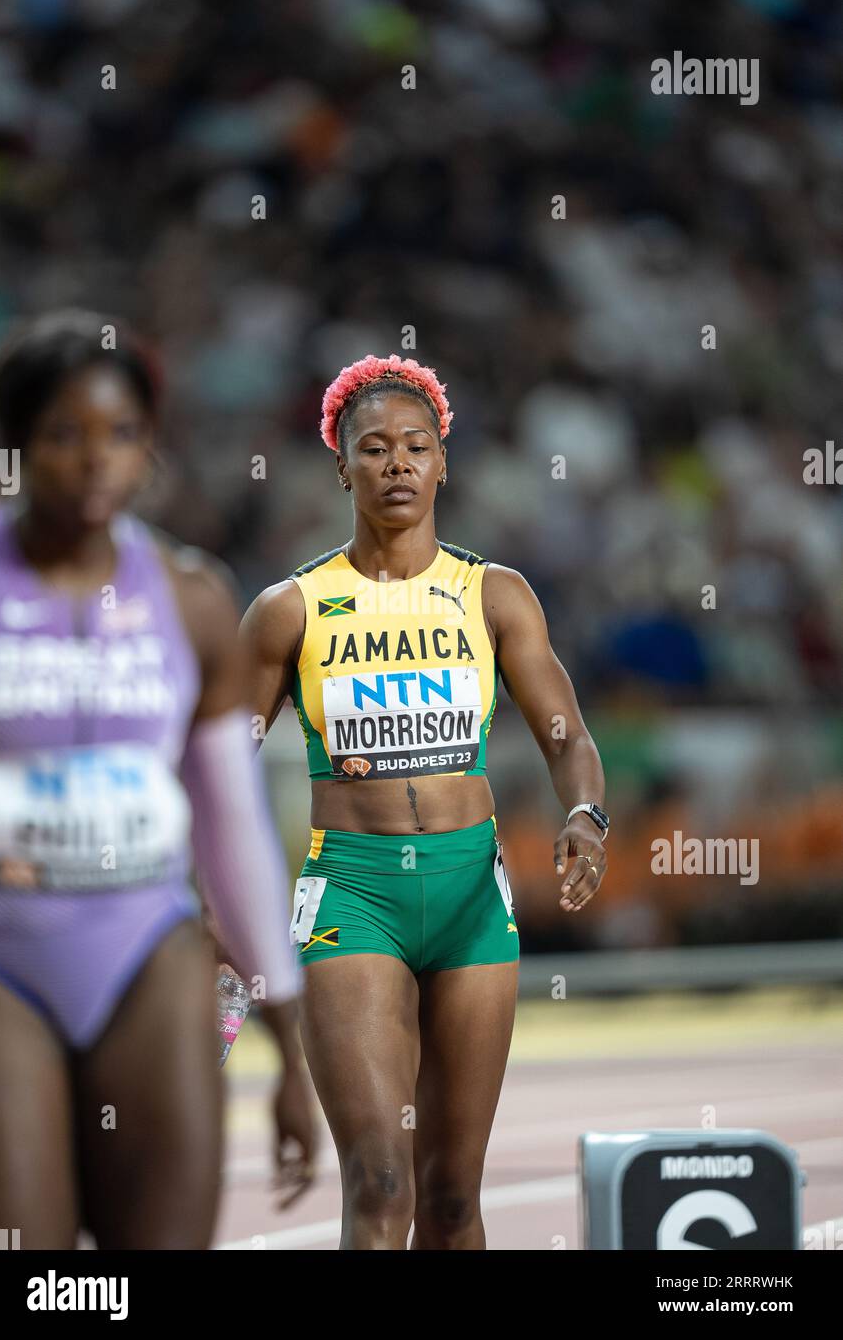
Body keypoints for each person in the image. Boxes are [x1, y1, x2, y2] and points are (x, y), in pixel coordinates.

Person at [241, 353, 610, 1250]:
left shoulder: (495, 595)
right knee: (378, 1181)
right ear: (342, 467)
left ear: (444, 461)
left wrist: (585, 813)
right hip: (354, 895)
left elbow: (568, 735)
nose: (397, 463)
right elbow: (216, 769)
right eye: (374, 448)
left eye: (416, 446)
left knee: (451, 1197)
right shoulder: (291, 610)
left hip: (470, 899)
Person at [0, 310, 313, 1249]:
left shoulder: (191, 599)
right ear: (13, 446)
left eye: (121, 435)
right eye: (62, 436)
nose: (95, 462)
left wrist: (289, 1039)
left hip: (146, 956)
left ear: (151, 448)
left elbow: (232, 830)